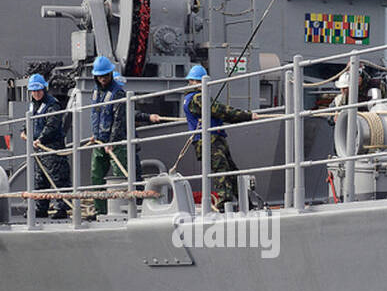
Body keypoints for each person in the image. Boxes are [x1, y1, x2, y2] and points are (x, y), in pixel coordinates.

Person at [83, 56, 163, 220]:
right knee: (96, 175)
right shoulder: (97, 92)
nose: (103, 79)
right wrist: (96, 135)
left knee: (124, 176)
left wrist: (112, 141)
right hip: (101, 141)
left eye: (105, 75)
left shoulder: (118, 93)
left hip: (118, 142)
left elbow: (120, 119)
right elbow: (96, 115)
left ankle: (126, 210)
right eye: (100, 76)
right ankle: (101, 211)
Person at [181, 64, 255, 210]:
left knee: (231, 170)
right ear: (198, 81)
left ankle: (246, 203)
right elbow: (221, 111)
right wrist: (248, 115)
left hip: (215, 139)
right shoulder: (197, 98)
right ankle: (224, 205)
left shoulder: (192, 98)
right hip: (208, 140)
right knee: (221, 170)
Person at [19, 74, 72, 219]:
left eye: (39, 90)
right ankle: (41, 207)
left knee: (58, 177)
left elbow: (52, 125)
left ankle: (62, 208)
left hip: (52, 146)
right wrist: (24, 131)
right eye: (33, 91)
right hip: (38, 148)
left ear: (44, 89)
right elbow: (29, 120)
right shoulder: (33, 104)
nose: (36, 93)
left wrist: (40, 139)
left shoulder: (52, 105)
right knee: (40, 178)